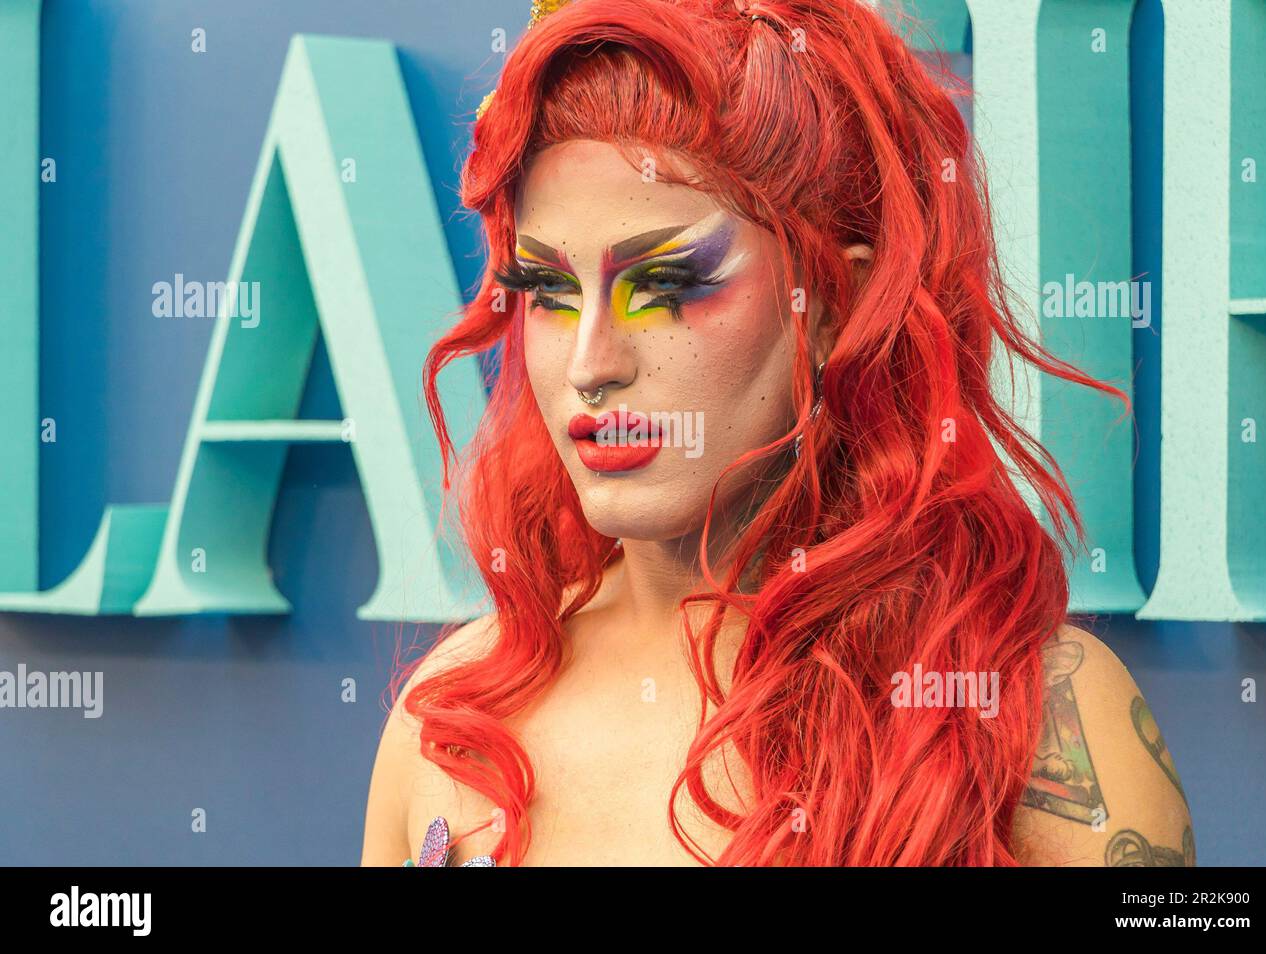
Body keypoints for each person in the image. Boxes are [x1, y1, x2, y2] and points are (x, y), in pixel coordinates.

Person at [361, 0, 1192, 866]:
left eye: (666, 286)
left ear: (835, 302)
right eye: (549, 291)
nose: (589, 363)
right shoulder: (451, 724)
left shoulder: (1033, 716)